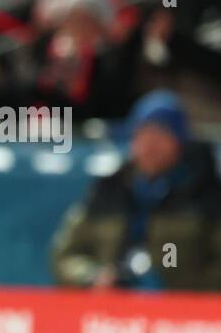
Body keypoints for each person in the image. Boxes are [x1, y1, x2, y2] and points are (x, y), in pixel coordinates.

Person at [51, 90, 221, 291]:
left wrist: (179, 288)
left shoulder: (207, 192)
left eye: (161, 134)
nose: (150, 145)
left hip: (182, 316)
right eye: (143, 133)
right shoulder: (109, 190)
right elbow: (64, 255)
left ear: (180, 141)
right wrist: (92, 278)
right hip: (112, 313)